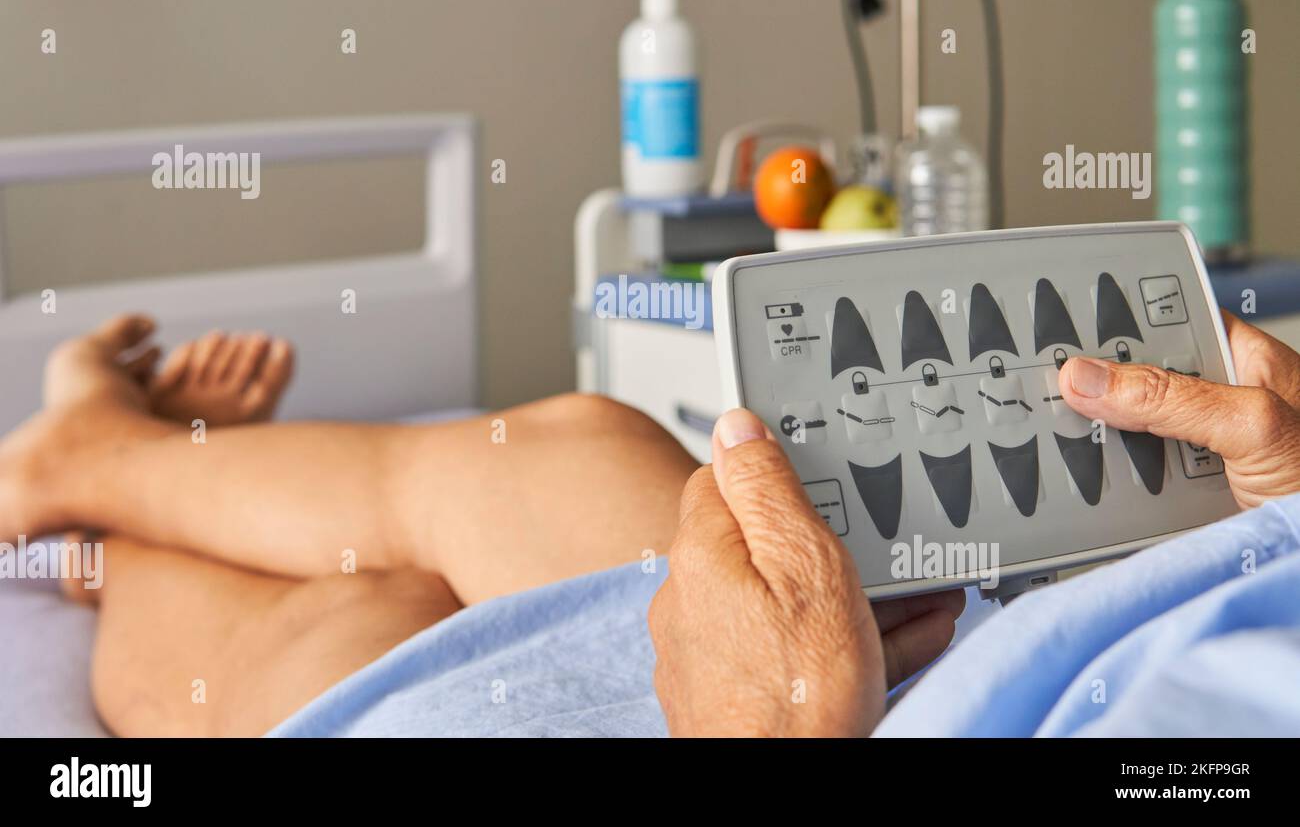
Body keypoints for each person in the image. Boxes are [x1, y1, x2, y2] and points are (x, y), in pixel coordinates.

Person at [1, 311, 1297, 736]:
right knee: (573, 446)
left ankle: (100, 524)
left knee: (353, 633)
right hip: (921, 662)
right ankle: (108, 461)